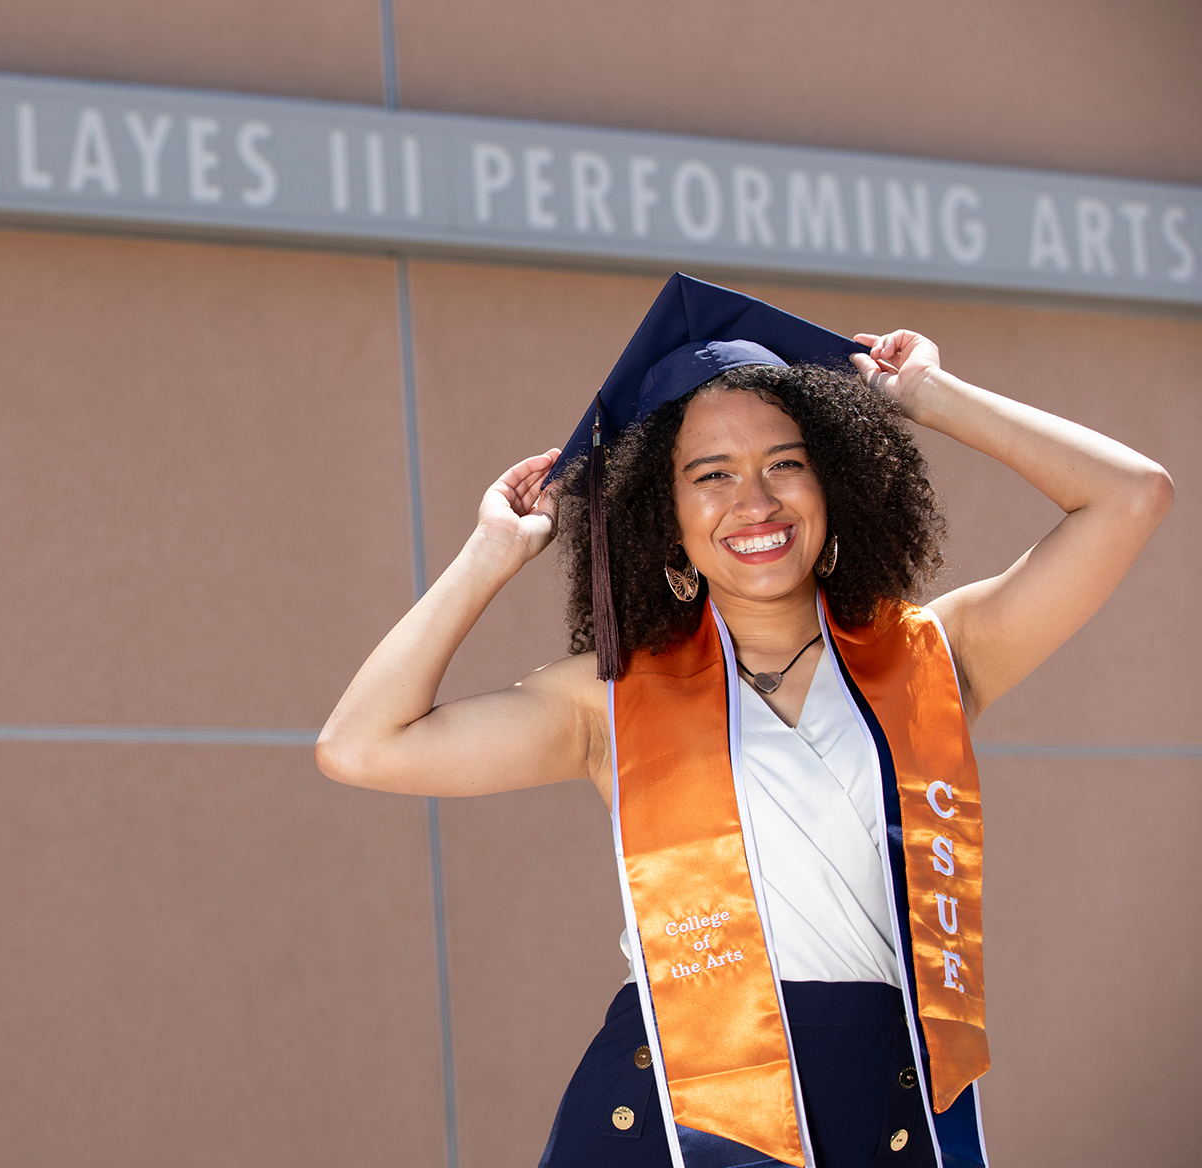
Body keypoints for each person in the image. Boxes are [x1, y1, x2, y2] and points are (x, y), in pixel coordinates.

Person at [315, 275, 1171, 1168]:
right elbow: (361, 745)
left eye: (785, 464)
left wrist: (929, 396)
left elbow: (1132, 496)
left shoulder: (934, 657)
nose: (754, 500)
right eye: (711, 475)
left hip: (883, 1110)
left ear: (834, 482)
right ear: (665, 518)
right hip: (677, 1117)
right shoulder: (609, 700)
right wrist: (490, 556)